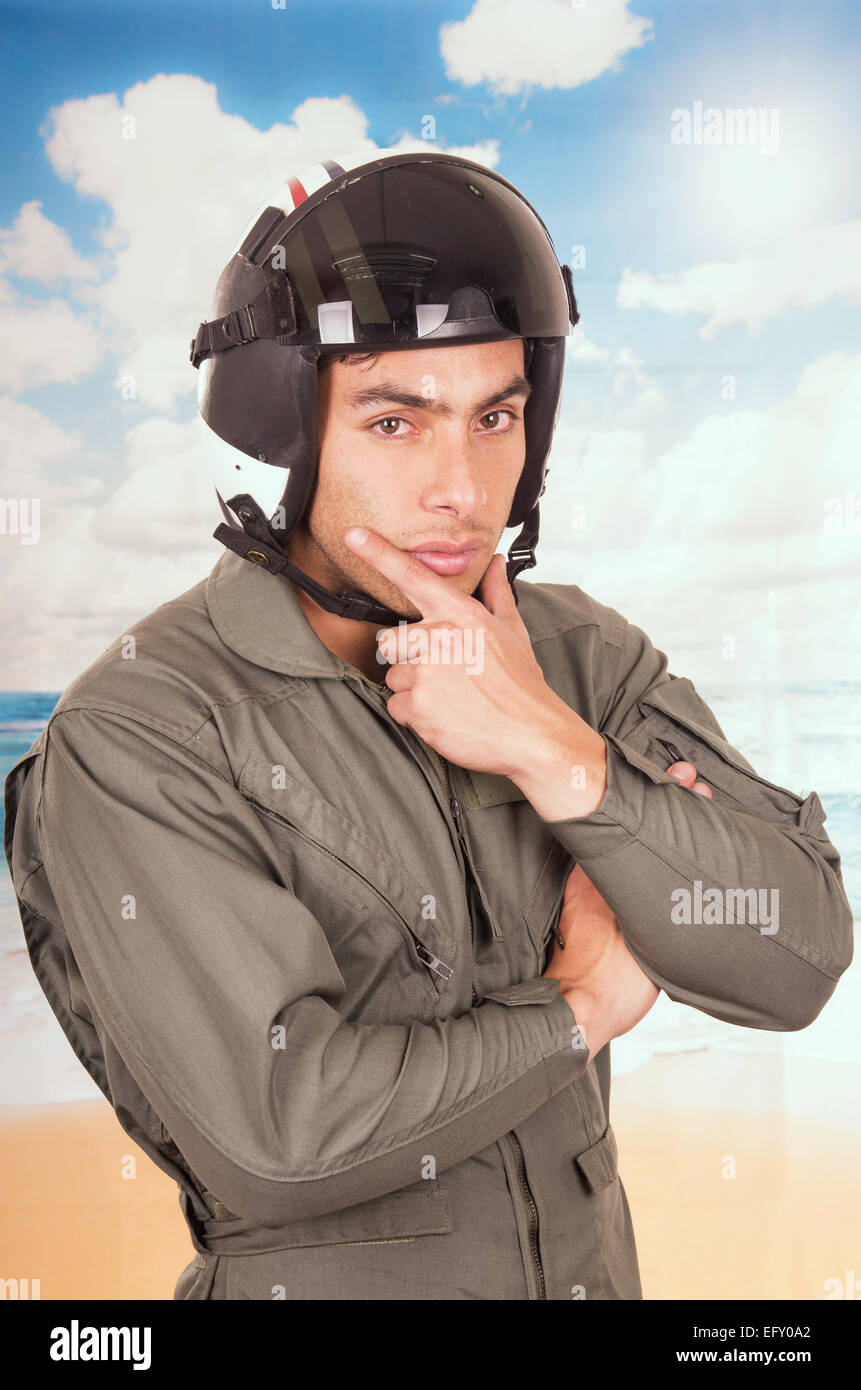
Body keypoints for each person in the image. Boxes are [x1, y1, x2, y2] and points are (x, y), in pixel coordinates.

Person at [4, 149, 853, 1301]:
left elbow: (794, 954)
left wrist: (557, 751)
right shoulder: (146, 726)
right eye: (397, 423)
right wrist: (577, 1010)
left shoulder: (580, 657)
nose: (462, 487)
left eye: (495, 415)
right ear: (295, 429)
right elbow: (280, 1137)